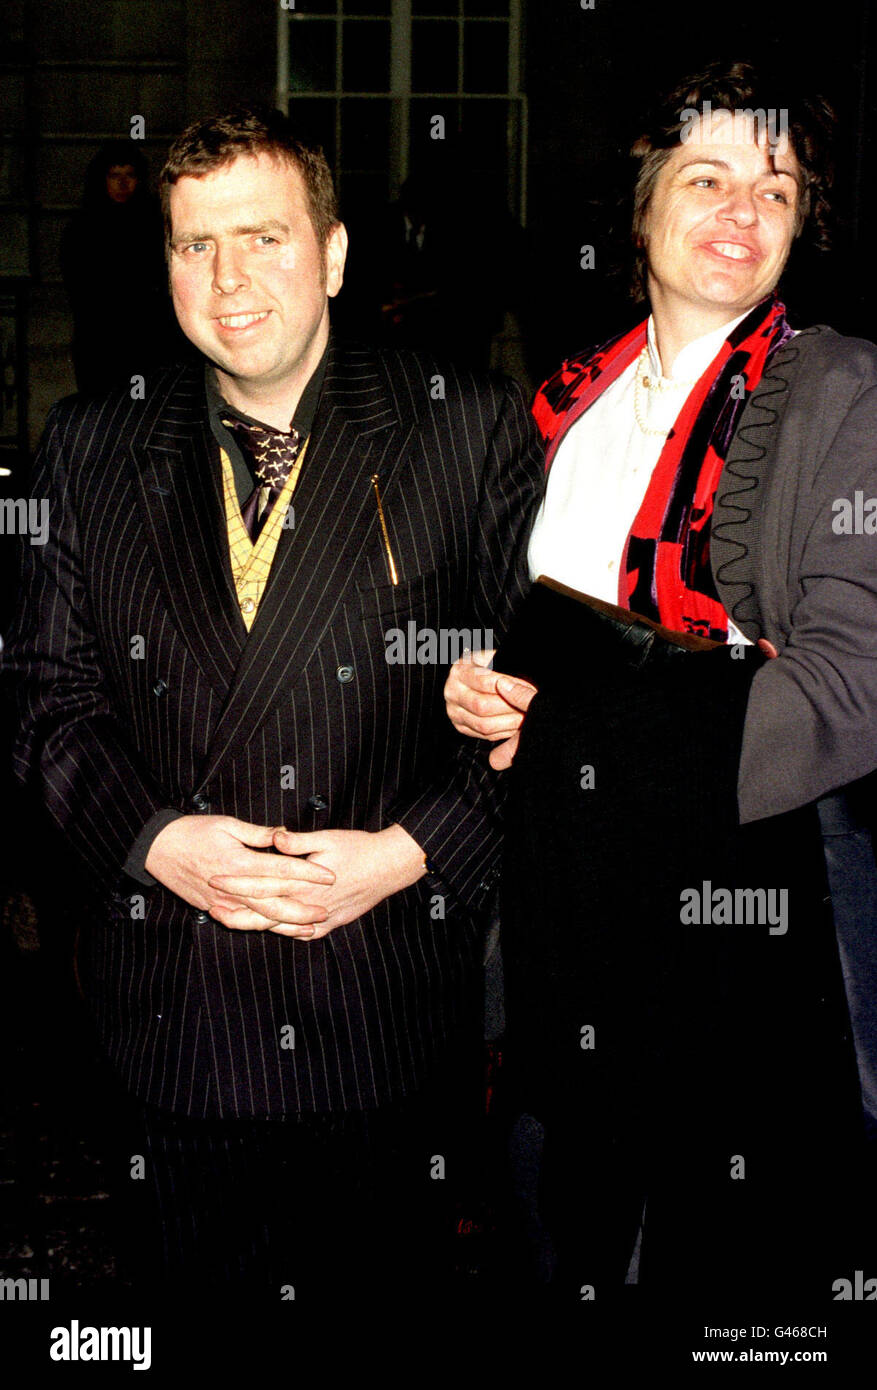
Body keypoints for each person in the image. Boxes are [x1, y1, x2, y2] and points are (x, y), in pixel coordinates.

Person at [4, 106, 544, 1304]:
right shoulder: (90, 447)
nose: (228, 278)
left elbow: (542, 717)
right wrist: (152, 843)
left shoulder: (468, 428)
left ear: (337, 253)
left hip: (382, 1005)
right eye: (195, 244)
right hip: (175, 1019)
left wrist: (407, 857)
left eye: (262, 237)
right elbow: (45, 701)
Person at [445, 61, 877, 1304]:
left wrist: (582, 729)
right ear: (640, 212)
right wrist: (484, 689)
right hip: (567, 885)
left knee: (720, 1257)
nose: (742, 212)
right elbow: (531, 631)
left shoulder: (842, 388)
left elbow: (851, 690)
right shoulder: (563, 404)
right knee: (558, 1202)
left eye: (777, 189)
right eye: (706, 179)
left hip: (750, 886)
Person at [60, 141, 178, 393]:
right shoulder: (82, 229)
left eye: (130, 175)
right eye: (115, 175)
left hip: (149, 340)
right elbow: (79, 290)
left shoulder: (154, 225)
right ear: (102, 179)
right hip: (100, 339)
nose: (123, 184)